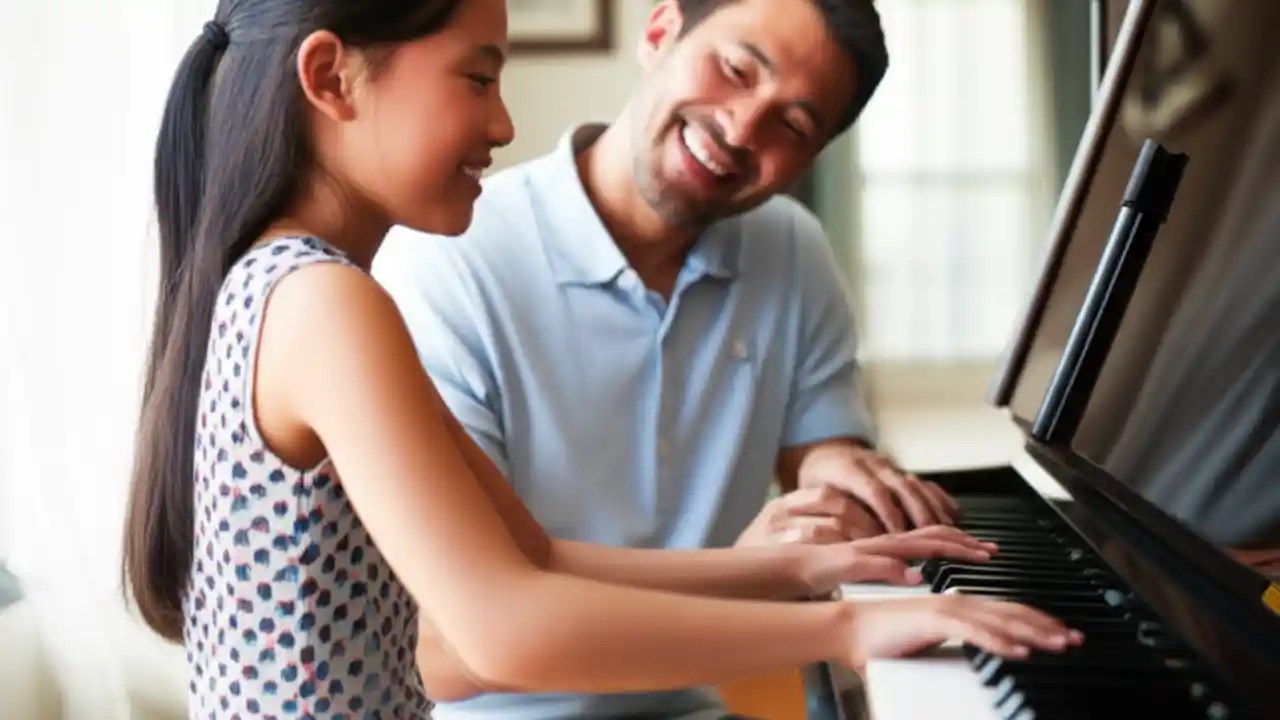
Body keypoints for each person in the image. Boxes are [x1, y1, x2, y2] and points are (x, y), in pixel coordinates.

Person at [122, 0, 1080, 717]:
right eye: (478, 77)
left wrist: (818, 568)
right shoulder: (329, 303)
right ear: (332, 78)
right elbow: (500, 627)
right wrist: (846, 625)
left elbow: (533, 558)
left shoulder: (305, 287)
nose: (503, 124)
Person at [374, 0, 989, 716]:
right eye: (734, 69)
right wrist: (749, 574)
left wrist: (831, 469)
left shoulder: (792, 250)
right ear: (661, 30)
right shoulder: (449, 263)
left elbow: (824, 483)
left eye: (792, 125)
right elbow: (440, 654)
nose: (738, 128)